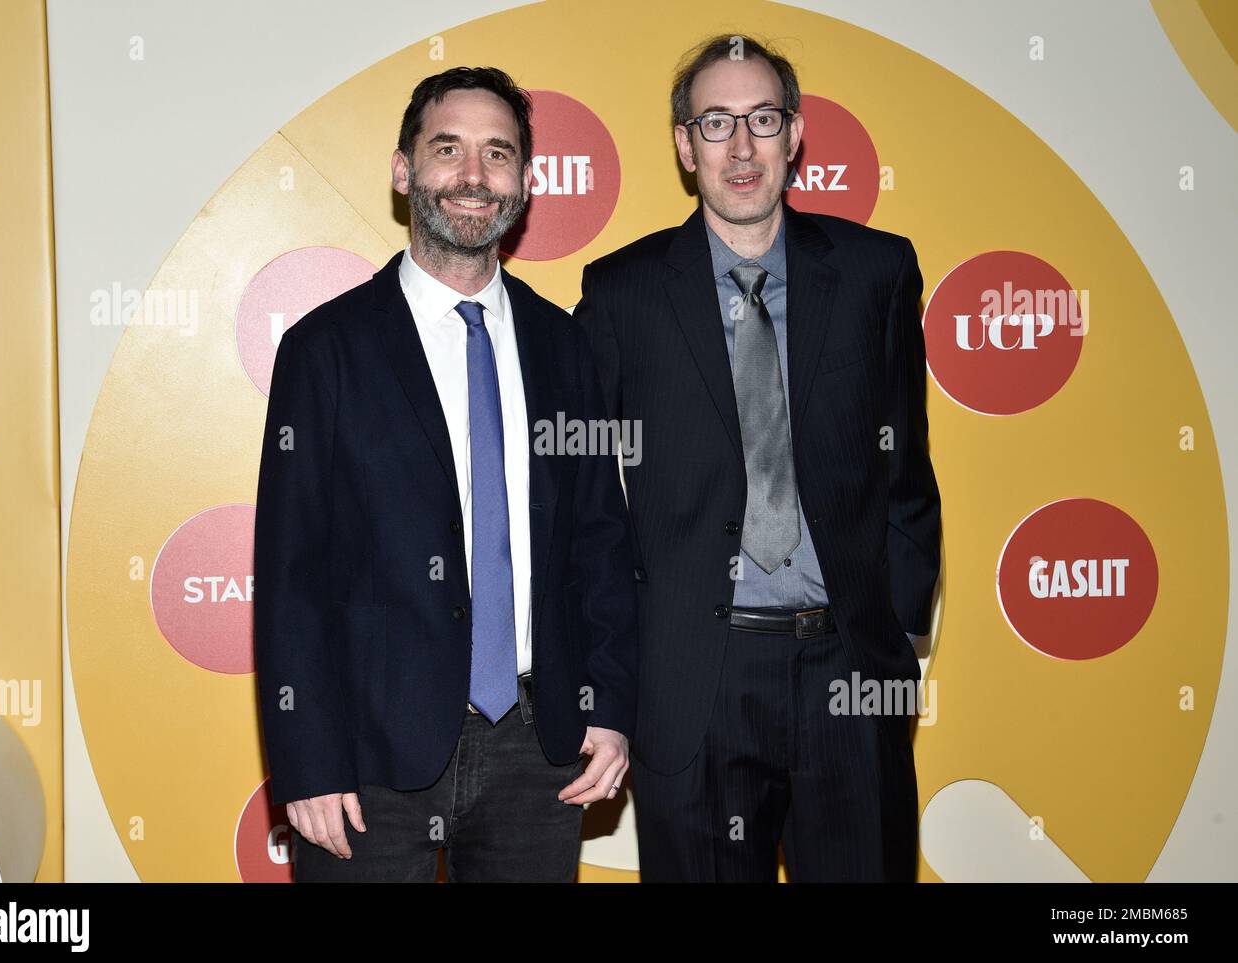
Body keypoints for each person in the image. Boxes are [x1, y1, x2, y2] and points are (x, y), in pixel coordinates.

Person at [253, 66, 636, 882]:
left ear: (525, 183)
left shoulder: (565, 348)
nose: (473, 176)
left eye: (497, 155)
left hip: (540, 751)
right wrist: (307, 761)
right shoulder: (327, 351)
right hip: (364, 759)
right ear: (404, 171)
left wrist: (610, 707)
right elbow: (292, 574)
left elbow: (599, 540)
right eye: (448, 150)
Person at [573, 34, 941, 881]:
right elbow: (585, 497)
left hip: (849, 674)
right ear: (681, 143)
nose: (740, 148)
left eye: (762, 119)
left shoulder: (875, 272)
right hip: (695, 682)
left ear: (796, 133)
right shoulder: (621, 293)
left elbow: (906, 469)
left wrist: (900, 632)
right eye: (715, 122)